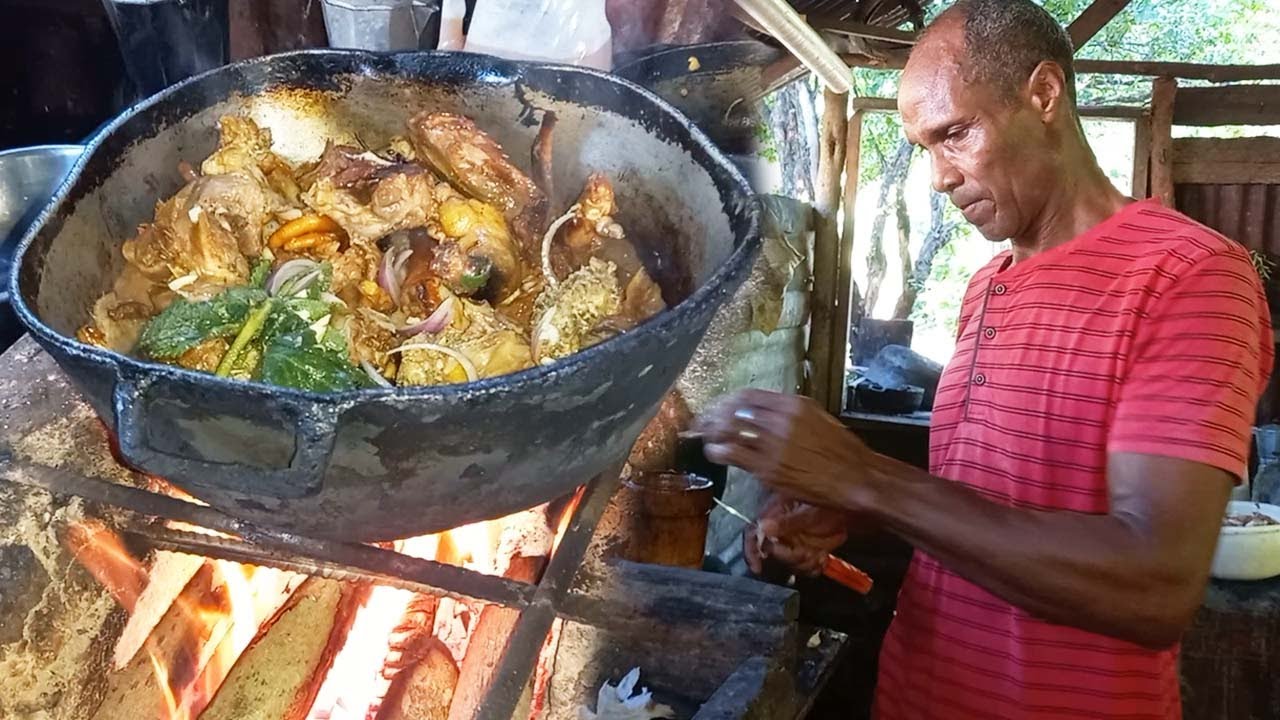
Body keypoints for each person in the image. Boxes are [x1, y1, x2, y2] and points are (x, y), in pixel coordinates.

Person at [693, 1, 1273, 718]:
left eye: (956, 134)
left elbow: (1153, 585)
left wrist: (866, 475)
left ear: (1044, 94)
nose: (939, 176)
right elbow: (990, 497)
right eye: (923, 147)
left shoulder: (1188, 274)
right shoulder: (983, 290)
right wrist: (851, 511)